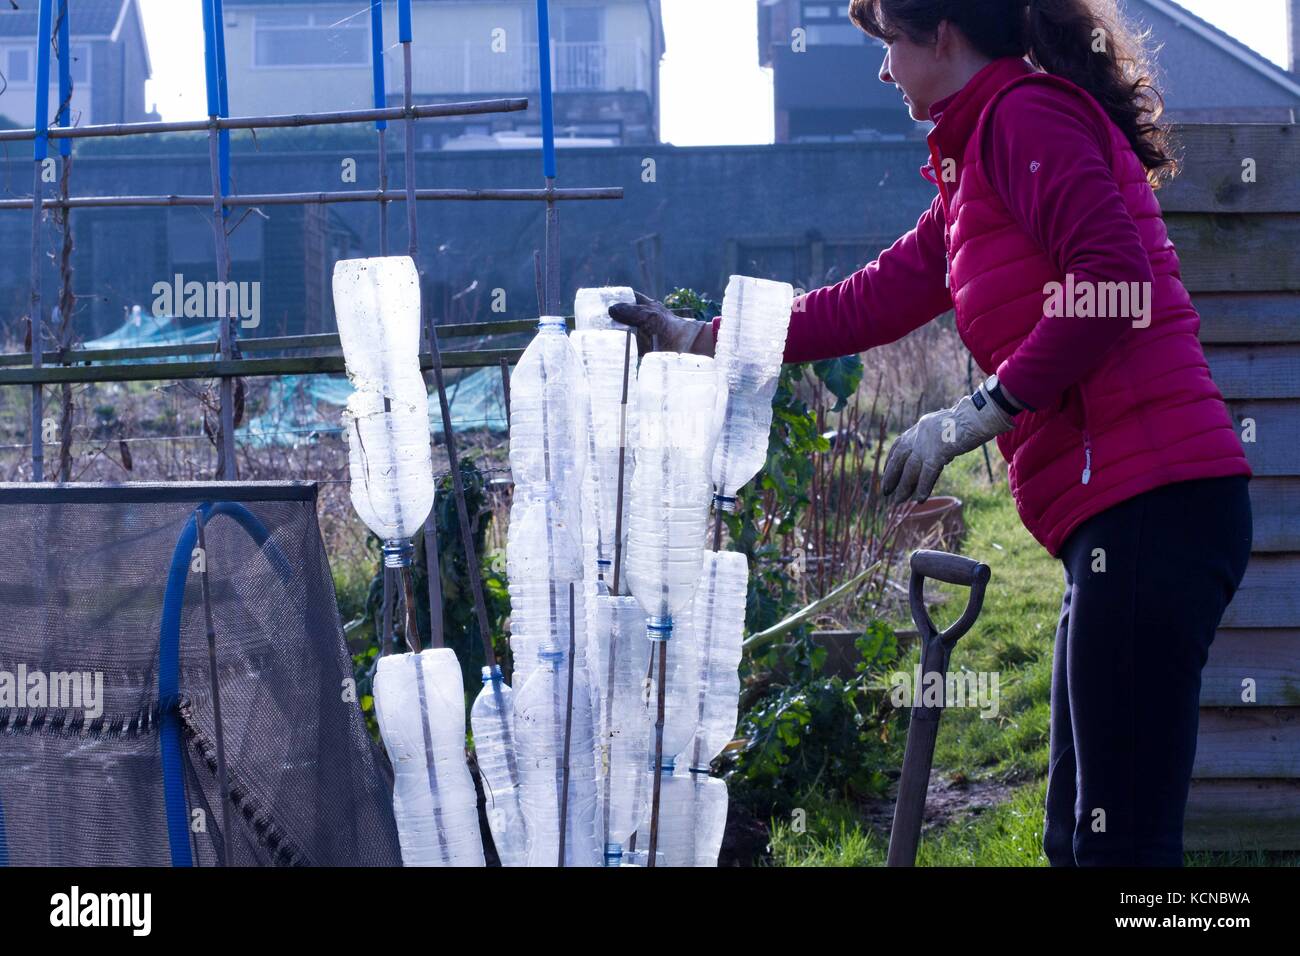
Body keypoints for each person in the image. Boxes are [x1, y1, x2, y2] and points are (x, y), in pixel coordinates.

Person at [609, 0, 1253, 867]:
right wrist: (701, 340)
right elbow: (863, 302)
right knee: (1080, 839)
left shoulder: (1026, 118)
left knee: (1122, 848)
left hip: (1155, 503)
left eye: (890, 47)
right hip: (1120, 520)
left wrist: (979, 412)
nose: (882, 71)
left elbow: (1113, 279)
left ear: (942, 36)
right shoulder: (975, 161)